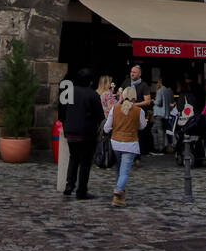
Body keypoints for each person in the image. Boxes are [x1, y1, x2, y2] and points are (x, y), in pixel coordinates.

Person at [57, 68, 104, 199]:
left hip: (71, 131)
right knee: (85, 162)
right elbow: (100, 116)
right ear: (90, 82)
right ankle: (81, 191)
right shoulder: (93, 95)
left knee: (73, 158)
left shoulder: (69, 92)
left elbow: (61, 111)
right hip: (86, 133)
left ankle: (69, 185)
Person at [103, 86, 147, 207]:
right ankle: (118, 192)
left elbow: (106, 128)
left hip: (115, 143)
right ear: (134, 97)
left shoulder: (115, 109)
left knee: (118, 170)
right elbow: (142, 126)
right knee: (124, 172)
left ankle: (119, 193)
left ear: (122, 96)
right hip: (130, 144)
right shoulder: (139, 111)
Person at [152, 75, 173, 154]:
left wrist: (153, 100)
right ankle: (161, 146)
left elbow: (158, 102)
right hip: (166, 113)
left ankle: (159, 148)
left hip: (159, 113)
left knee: (158, 130)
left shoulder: (160, 90)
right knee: (159, 130)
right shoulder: (168, 90)